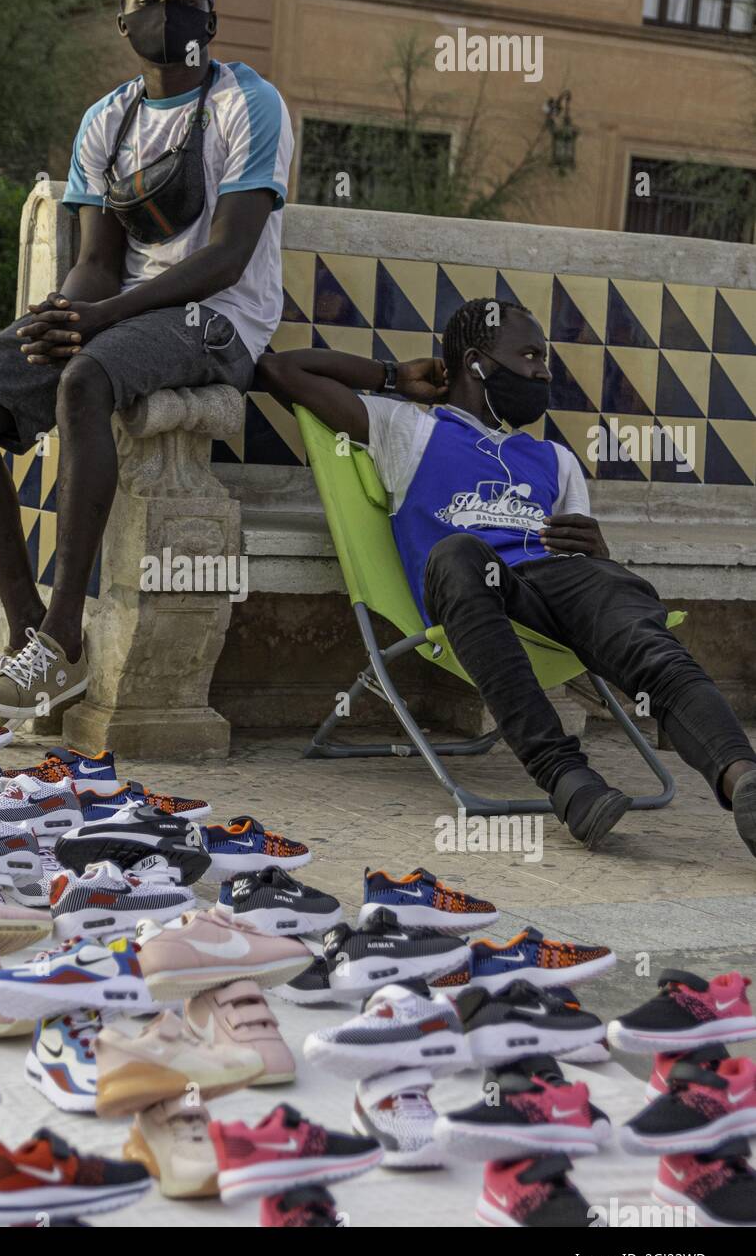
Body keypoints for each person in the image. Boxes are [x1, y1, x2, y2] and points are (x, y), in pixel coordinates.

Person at [0, 0, 292, 720]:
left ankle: (65, 638)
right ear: (124, 23)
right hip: (122, 313)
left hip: (217, 322)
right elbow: (98, 260)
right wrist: (65, 314)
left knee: (86, 377)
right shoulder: (107, 120)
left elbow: (229, 256)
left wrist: (99, 323)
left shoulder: (248, 104)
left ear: (211, 20)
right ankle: (36, 640)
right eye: (150, 0)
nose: (167, 13)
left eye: (184, 1)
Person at [254, 297, 756, 853]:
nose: (544, 372)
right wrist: (393, 376)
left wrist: (600, 555)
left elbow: (582, 566)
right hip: (469, 592)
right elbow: (280, 370)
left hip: (552, 594)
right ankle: (566, 776)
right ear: (476, 363)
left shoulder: (556, 460)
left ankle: (742, 778)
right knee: (458, 552)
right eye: (531, 356)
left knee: (623, 599)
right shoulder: (410, 430)